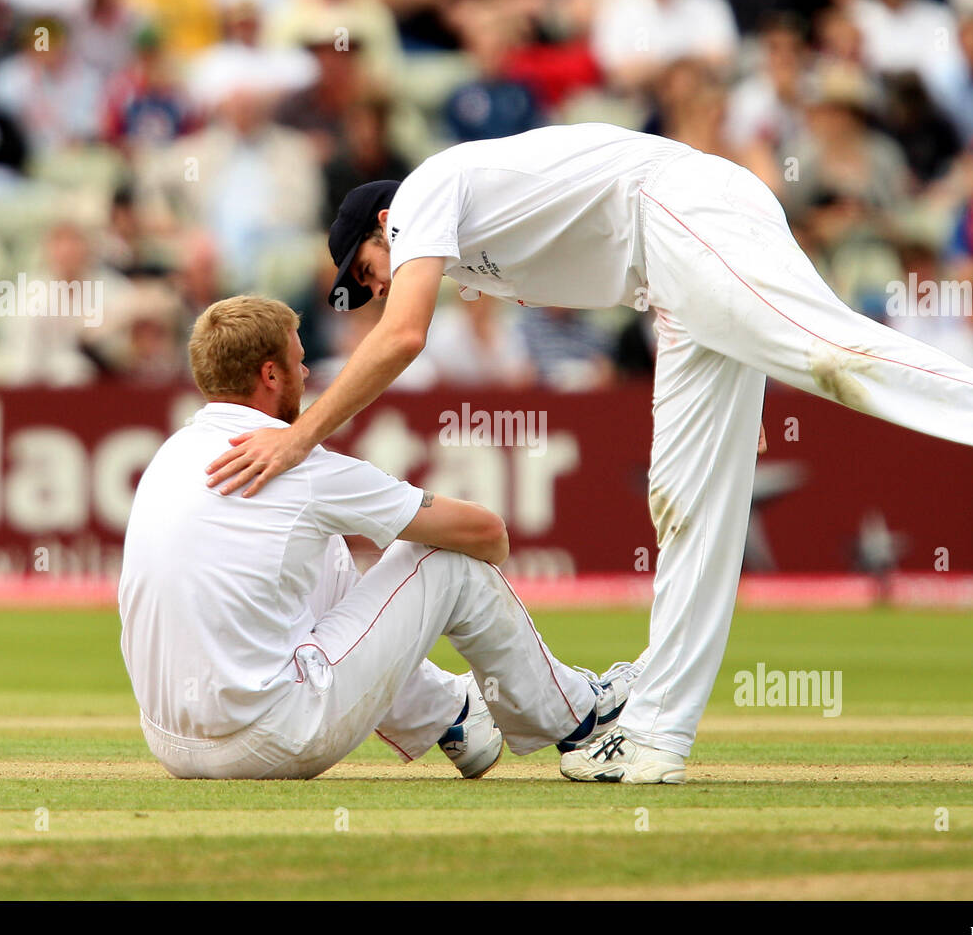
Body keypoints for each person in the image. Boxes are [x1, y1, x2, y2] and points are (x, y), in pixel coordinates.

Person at [203, 123, 973, 784]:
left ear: (382, 223)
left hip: (681, 208)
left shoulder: (428, 191)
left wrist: (301, 434)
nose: (373, 287)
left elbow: (401, 339)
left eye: (363, 269)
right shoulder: (460, 246)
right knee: (683, 498)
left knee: (825, 350)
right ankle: (654, 737)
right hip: (665, 279)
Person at [120, 295, 642, 780]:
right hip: (271, 737)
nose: (307, 373)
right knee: (445, 558)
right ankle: (582, 717)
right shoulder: (299, 467)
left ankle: (452, 715)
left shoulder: (169, 455)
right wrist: (481, 553)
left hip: (169, 742)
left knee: (323, 552)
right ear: (270, 374)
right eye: (299, 362)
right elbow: (485, 533)